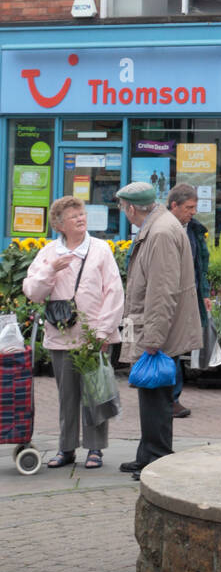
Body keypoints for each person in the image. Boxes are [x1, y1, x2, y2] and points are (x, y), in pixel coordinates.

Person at [23, 196, 124, 469]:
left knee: (95, 394)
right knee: (67, 397)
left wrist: (103, 333)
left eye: (82, 213)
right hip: (61, 337)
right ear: (59, 224)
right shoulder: (48, 253)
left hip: (93, 338)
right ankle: (66, 449)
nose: (81, 218)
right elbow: (33, 292)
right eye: (74, 215)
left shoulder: (101, 250)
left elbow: (114, 292)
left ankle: (95, 449)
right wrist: (49, 270)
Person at [116, 182, 203, 481]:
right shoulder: (160, 226)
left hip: (161, 333)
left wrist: (153, 338)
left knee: (156, 397)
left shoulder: (161, 232)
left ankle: (156, 459)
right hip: (161, 329)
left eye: (122, 208)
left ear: (130, 208)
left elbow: (162, 291)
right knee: (152, 395)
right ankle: (147, 455)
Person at [165, 182, 211, 417]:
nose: (193, 212)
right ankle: (168, 397)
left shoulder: (193, 229)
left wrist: (204, 293)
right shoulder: (159, 229)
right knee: (169, 345)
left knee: (179, 344)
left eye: (195, 207)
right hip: (166, 297)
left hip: (188, 296)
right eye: (189, 207)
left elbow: (201, 264)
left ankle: (170, 396)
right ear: (174, 205)